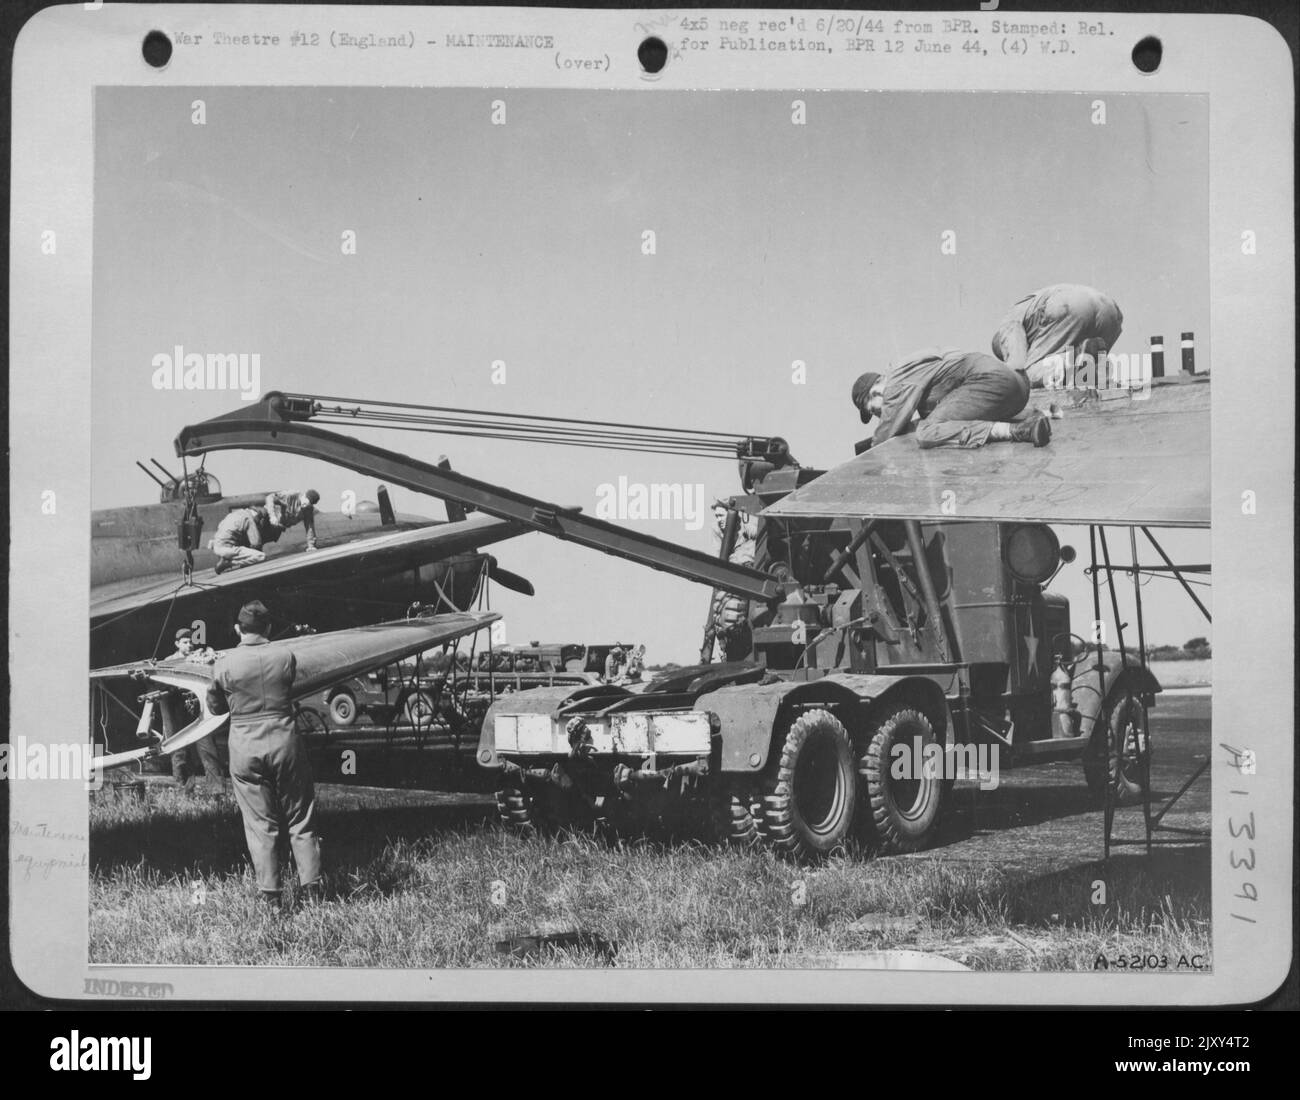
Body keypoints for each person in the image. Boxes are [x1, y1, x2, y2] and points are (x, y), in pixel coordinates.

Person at [205, 601, 322, 909]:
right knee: (301, 818)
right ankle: (312, 892)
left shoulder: (225, 663)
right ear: (269, 628)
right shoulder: (285, 655)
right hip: (285, 740)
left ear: (237, 630)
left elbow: (215, 707)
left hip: (244, 745)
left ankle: (271, 898)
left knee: (260, 824)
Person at [852, 347, 1051, 450]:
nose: (880, 414)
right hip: (1016, 386)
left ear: (876, 393)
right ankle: (1037, 416)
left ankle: (1019, 430)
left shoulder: (895, 384)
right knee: (934, 422)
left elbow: (885, 433)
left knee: (926, 432)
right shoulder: (912, 369)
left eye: (873, 409)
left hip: (990, 380)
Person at [991, 283, 1123, 387]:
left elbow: (1016, 368)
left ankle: (1078, 356)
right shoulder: (1032, 315)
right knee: (1086, 376)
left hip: (1070, 305)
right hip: (1109, 308)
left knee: (1029, 375)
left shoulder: (1007, 326)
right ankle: (1094, 369)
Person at [167, 628, 225, 785]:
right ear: (177, 644)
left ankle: (217, 791)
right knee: (180, 752)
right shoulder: (169, 661)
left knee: (208, 749)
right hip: (179, 711)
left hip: (199, 709)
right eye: (185, 642)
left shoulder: (199, 658)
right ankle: (184, 790)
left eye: (191, 641)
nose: (190, 645)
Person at [211, 506, 273, 574]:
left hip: (216, 546)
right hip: (226, 549)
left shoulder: (237, 513)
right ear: (258, 517)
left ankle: (227, 558)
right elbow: (256, 544)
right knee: (261, 556)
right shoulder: (249, 519)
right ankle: (228, 563)